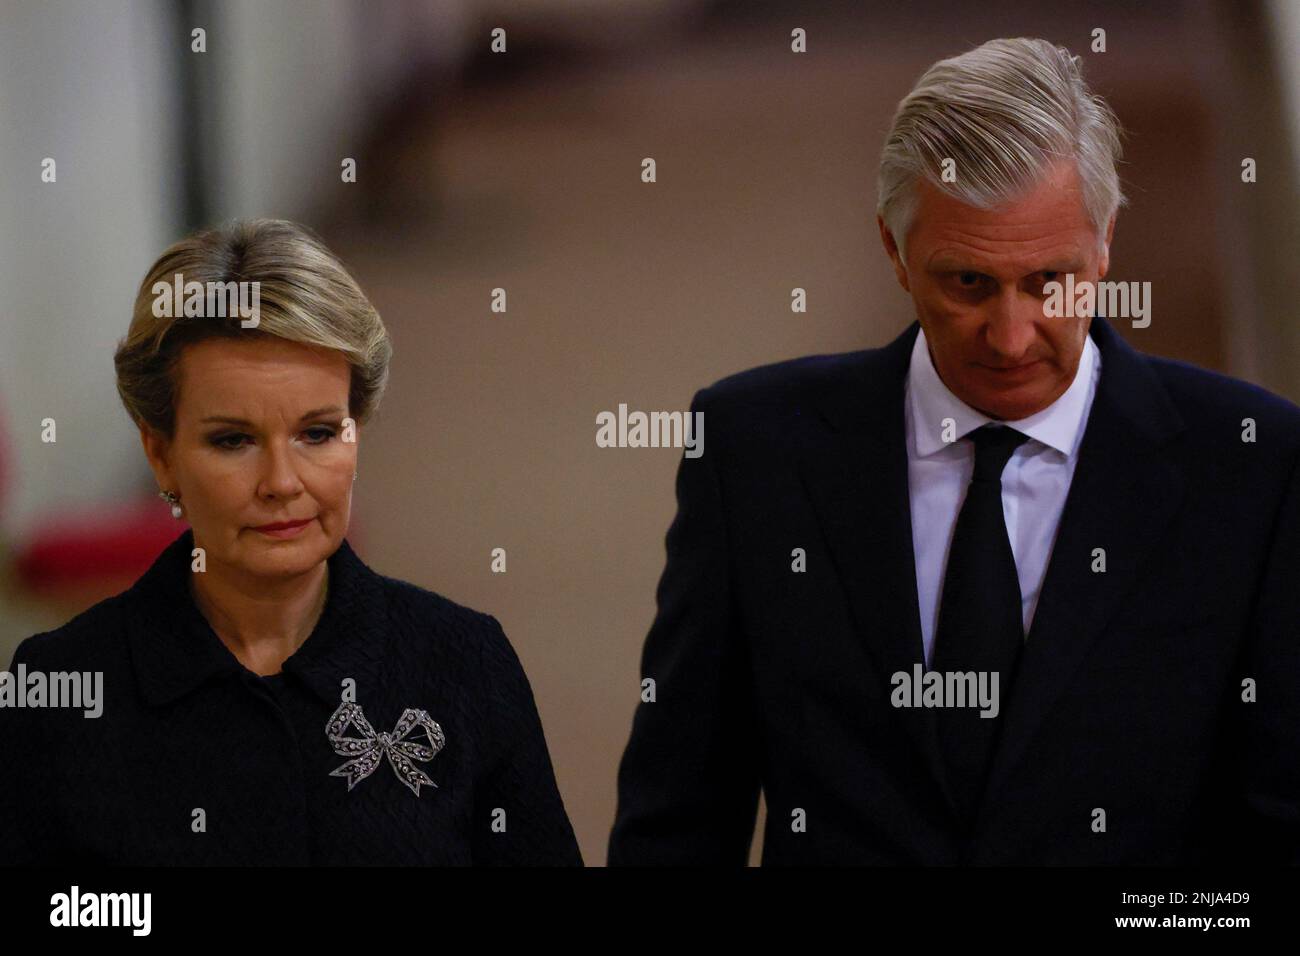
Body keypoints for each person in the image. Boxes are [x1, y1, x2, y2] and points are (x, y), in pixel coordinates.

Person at [608, 37, 1300, 865]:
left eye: (1050, 281)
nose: (1010, 340)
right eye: (967, 283)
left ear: (1107, 240)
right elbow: (677, 819)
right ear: (894, 252)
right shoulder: (753, 452)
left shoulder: (1253, 468)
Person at [0, 219, 582, 865]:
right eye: (233, 440)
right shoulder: (63, 683)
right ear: (161, 455)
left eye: (318, 434)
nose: (282, 483)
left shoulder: (465, 662)